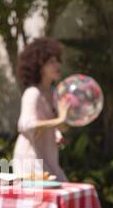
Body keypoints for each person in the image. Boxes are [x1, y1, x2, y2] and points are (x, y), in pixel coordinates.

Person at [11, 37, 70, 182]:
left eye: (57, 60)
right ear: (39, 67)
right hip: (30, 160)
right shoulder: (32, 93)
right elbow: (25, 125)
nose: (57, 65)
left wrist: (59, 130)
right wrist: (59, 120)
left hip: (48, 157)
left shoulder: (53, 93)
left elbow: (60, 126)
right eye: (51, 62)